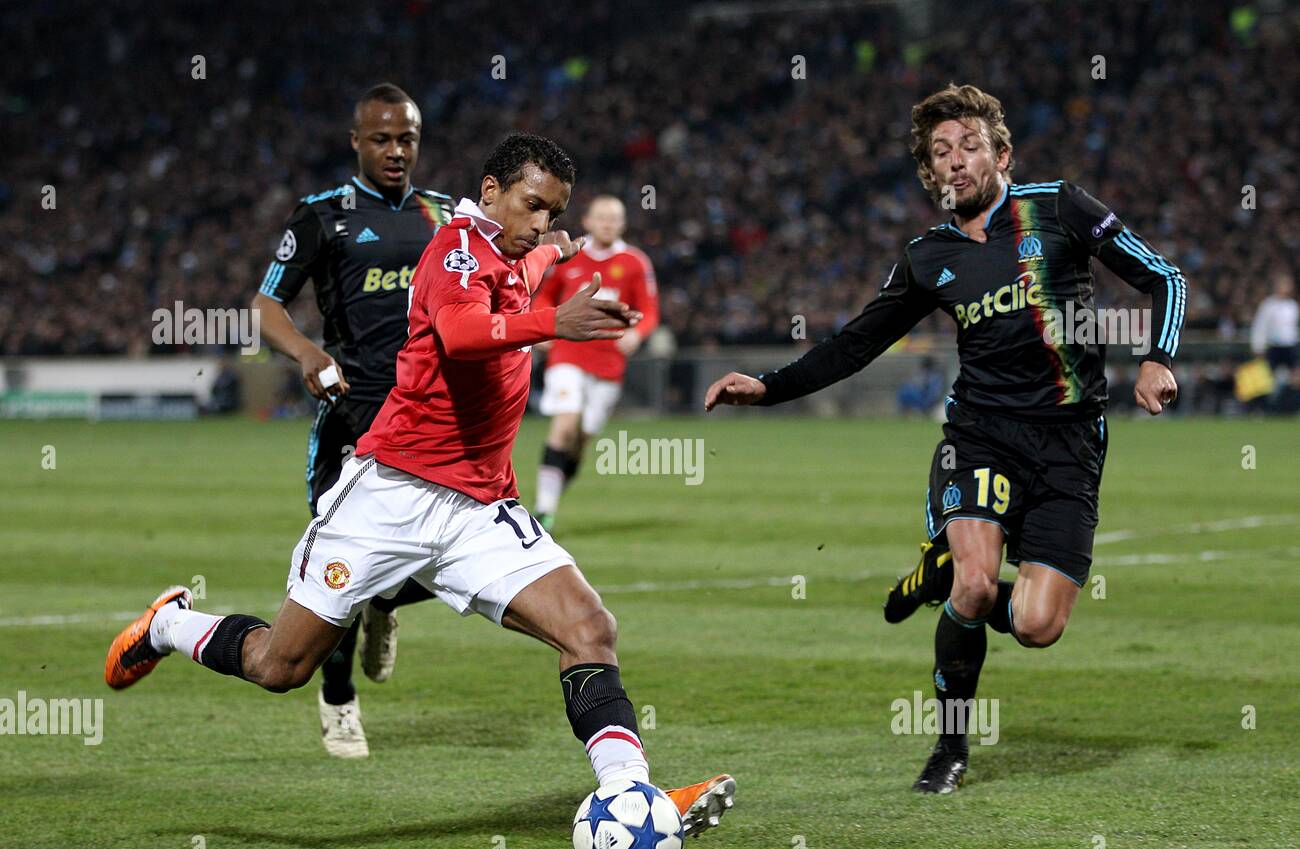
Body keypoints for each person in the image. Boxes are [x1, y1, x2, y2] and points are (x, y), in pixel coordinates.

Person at [107, 132, 735, 835]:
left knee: (589, 627)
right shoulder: (456, 248)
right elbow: (465, 333)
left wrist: (556, 252)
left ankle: (631, 797)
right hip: (388, 496)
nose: (539, 225)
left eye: (552, 214)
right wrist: (555, 322)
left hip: (480, 509)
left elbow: (524, 270)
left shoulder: (514, 250)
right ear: (489, 190)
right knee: (280, 666)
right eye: (531, 207)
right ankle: (168, 622)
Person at [705, 84, 1182, 794]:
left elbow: (1163, 277)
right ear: (929, 173)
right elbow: (856, 343)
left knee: (1038, 623)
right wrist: (770, 386)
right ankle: (949, 749)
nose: (954, 163)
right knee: (977, 581)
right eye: (939, 154)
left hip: (1072, 441)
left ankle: (943, 575)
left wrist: (1158, 357)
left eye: (967, 146)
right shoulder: (929, 257)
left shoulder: (1059, 207)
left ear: (1001, 153)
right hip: (980, 435)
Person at [250, 83, 453, 757]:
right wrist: (308, 350)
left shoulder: (447, 215)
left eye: (408, 139)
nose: (397, 152)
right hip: (350, 422)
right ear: (356, 143)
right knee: (337, 573)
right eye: (382, 140)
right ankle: (338, 699)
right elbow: (266, 305)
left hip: (430, 424)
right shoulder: (323, 216)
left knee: (461, 551)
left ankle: (387, 603)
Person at [531, 195, 659, 531]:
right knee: (566, 423)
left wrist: (638, 333)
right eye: (601, 217)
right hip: (567, 354)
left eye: (614, 218)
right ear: (587, 221)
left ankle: (553, 492)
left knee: (581, 438)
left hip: (608, 362)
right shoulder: (569, 256)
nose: (608, 223)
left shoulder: (634, 262)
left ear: (622, 223)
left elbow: (649, 309)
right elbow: (544, 294)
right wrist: (544, 323)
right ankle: (544, 511)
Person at [1249, 272, 1298, 411]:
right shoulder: (1268, 305)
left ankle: (1291, 407)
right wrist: (1258, 346)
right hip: (1274, 346)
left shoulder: (1292, 305)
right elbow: (1260, 326)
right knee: (1266, 380)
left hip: (1290, 345)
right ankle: (1265, 408)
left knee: (1295, 378)